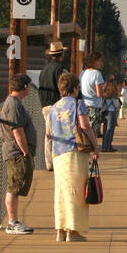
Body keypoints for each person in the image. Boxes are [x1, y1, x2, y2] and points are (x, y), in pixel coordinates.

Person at [44, 72, 99, 241]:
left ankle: (60, 230)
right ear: (75, 88)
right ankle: (73, 231)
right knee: (75, 191)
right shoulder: (77, 104)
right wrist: (95, 146)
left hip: (58, 154)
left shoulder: (53, 108)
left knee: (61, 191)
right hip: (74, 152)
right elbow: (84, 125)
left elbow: (48, 133)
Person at [0, 73, 36, 235]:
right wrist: (25, 152)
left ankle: (13, 220)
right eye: (29, 86)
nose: (29, 90)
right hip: (16, 151)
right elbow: (17, 130)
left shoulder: (15, 103)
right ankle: (12, 222)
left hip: (17, 150)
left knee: (16, 185)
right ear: (25, 87)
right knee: (14, 186)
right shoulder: (13, 105)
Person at [79, 53, 106, 140]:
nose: (101, 63)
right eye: (99, 61)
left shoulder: (82, 73)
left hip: (83, 106)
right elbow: (99, 94)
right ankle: (94, 151)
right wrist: (105, 94)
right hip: (94, 107)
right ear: (93, 62)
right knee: (93, 134)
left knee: (84, 132)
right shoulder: (97, 74)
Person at [38, 40, 66, 111]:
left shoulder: (44, 69)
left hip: (44, 105)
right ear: (62, 54)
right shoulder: (60, 69)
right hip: (57, 105)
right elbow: (65, 88)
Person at [100, 80, 120, 152]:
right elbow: (116, 105)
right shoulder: (114, 96)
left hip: (105, 112)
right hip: (111, 113)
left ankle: (104, 146)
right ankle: (108, 146)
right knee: (110, 130)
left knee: (105, 130)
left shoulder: (105, 95)